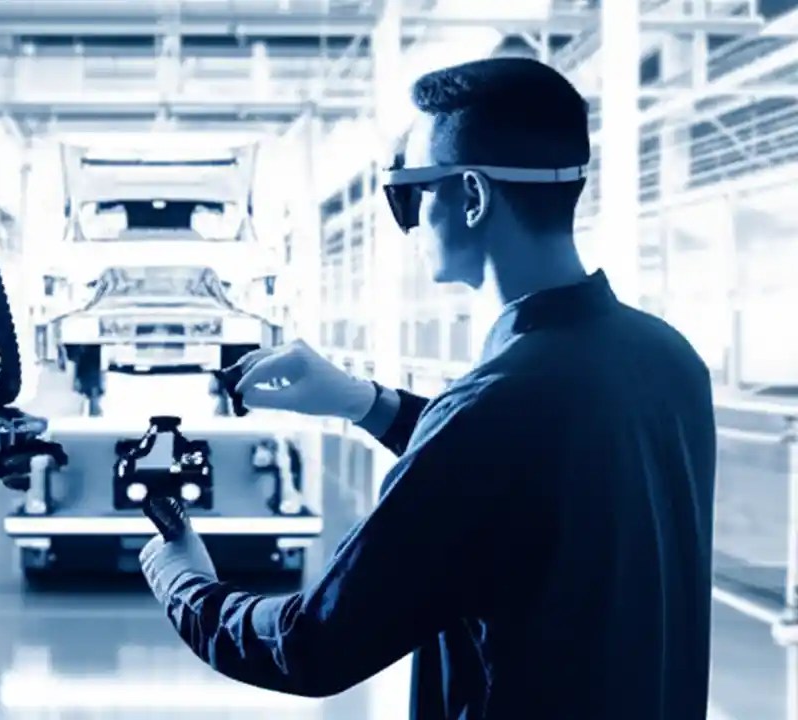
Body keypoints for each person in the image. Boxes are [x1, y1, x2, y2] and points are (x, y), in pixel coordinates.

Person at [138, 56, 718, 719]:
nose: (410, 224)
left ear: (471, 196)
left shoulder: (495, 409)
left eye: (409, 193)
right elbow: (538, 487)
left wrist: (181, 578)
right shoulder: (668, 359)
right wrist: (366, 401)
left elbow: (311, 645)